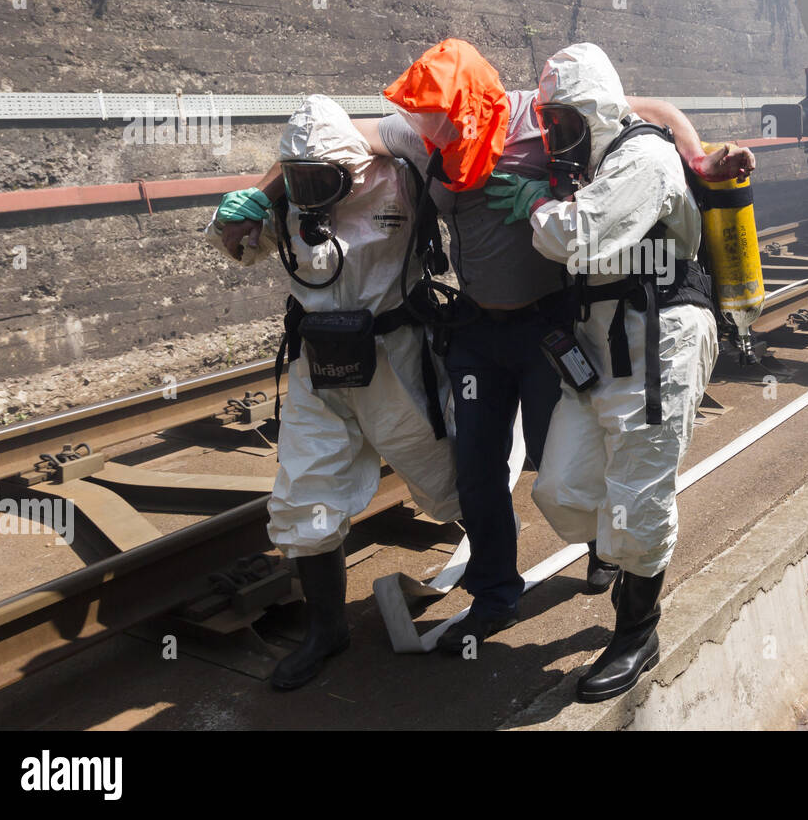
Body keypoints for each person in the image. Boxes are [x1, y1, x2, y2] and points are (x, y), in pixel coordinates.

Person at [217, 40, 754, 658]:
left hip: (550, 329)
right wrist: (265, 192)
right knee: (476, 468)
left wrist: (699, 157)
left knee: (571, 463)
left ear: (478, 104)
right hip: (475, 330)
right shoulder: (425, 134)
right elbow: (329, 137)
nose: (429, 134)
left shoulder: (536, 114)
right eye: (424, 123)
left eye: (443, 122)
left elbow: (649, 109)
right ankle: (495, 592)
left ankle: (607, 555)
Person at [484, 43, 719, 703]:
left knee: (640, 499)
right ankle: (622, 550)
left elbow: (576, 237)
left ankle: (637, 631)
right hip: (594, 344)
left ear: (598, 114)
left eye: (565, 126)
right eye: (549, 127)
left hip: (659, 341)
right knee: (558, 486)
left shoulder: (643, 157)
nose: (555, 140)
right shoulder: (593, 162)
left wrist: (535, 203)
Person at [209, 94, 460, 690]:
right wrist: (235, 217)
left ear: (354, 167)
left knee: (451, 482)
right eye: (299, 179)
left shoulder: (399, 178)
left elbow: (438, 142)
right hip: (319, 369)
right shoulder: (290, 198)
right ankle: (328, 628)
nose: (311, 191)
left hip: (395, 363)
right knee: (305, 499)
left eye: (324, 178)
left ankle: (497, 583)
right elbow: (238, 249)